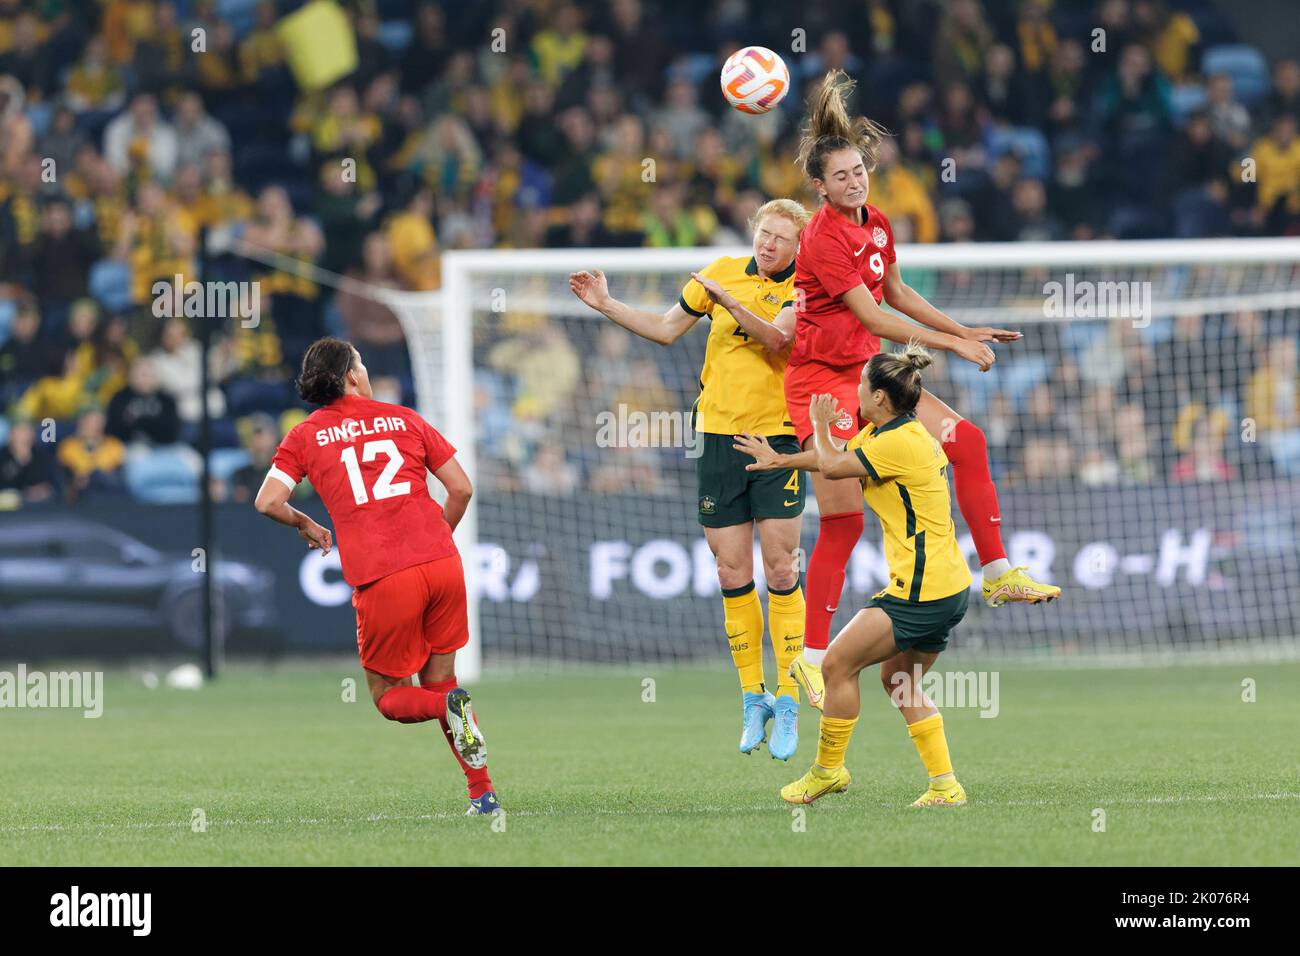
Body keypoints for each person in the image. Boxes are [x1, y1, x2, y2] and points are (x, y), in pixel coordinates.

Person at [776, 71, 1059, 713]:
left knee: (968, 440)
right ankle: (812, 658)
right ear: (819, 187)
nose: (857, 181)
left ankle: (997, 574)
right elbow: (874, 316)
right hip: (823, 382)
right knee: (844, 523)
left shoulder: (876, 221)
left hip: (868, 372)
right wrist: (952, 346)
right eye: (842, 176)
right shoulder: (821, 238)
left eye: (860, 171)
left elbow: (897, 294)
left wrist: (963, 327)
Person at [568, 199, 811, 760]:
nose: (768, 243)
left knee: (781, 566)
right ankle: (753, 697)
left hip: (778, 438)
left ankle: (790, 697)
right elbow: (664, 328)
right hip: (718, 439)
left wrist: (726, 301)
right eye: (763, 233)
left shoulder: (807, 286)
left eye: (781, 237)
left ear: (799, 246)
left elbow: (778, 341)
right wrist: (606, 304)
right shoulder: (720, 274)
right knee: (731, 569)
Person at [253, 337, 500, 816]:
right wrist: (434, 543)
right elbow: (462, 488)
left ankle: (446, 712)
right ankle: (483, 794)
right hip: (442, 565)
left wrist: (305, 522)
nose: (364, 371)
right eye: (361, 364)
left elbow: (267, 501)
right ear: (350, 376)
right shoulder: (404, 418)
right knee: (443, 681)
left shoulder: (304, 436)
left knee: (390, 696)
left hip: (385, 576)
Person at [737, 344, 972, 808]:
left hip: (920, 592)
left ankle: (827, 771)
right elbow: (840, 458)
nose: (855, 392)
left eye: (861, 385)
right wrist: (780, 460)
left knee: (835, 666)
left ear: (880, 397)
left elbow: (832, 462)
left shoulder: (897, 442)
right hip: (947, 587)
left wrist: (818, 426)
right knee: (899, 681)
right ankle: (945, 785)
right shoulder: (891, 433)